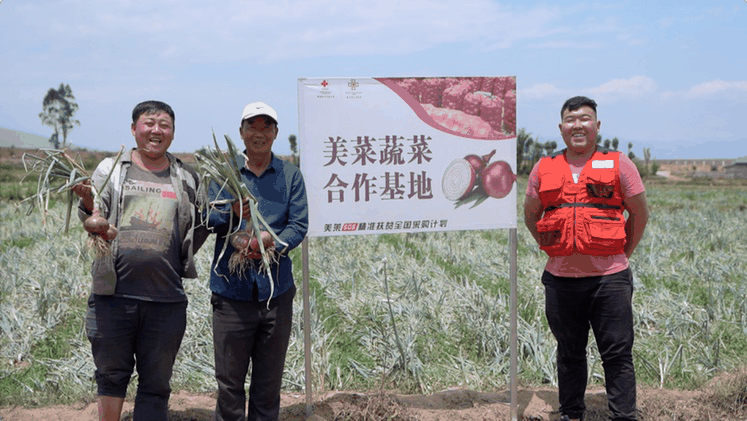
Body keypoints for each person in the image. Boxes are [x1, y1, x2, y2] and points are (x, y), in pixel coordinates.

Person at [73, 100, 208, 421]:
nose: (156, 130)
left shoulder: (186, 176)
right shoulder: (109, 169)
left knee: (156, 382)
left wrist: (177, 258)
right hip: (113, 295)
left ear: (173, 133)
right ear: (134, 129)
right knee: (110, 375)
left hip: (166, 299)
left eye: (164, 125)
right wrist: (89, 201)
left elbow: (199, 227)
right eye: (149, 123)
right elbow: (96, 213)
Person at [523, 96, 649, 421]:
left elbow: (638, 215)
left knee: (618, 355)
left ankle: (623, 416)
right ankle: (571, 414)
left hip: (610, 281)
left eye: (585, 118)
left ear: (597, 125)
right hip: (561, 281)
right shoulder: (544, 167)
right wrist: (555, 247)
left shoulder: (621, 165)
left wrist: (621, 255)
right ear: (561, 128)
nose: (577, 125)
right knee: (569, 354)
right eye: (570, 119)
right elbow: (531, 216)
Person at [204, 102, 309, 421]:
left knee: (268, 385)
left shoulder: (290, 174)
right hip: (231, 294)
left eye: (267, 127)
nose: (259, 133)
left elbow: (298, 225)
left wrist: (271, 242)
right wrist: (232, 213)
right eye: (252, 126)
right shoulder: (225, 173)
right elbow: (209, 218)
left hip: (275, 294)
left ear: (276, 133)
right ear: (241, 132)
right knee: (229, 384)